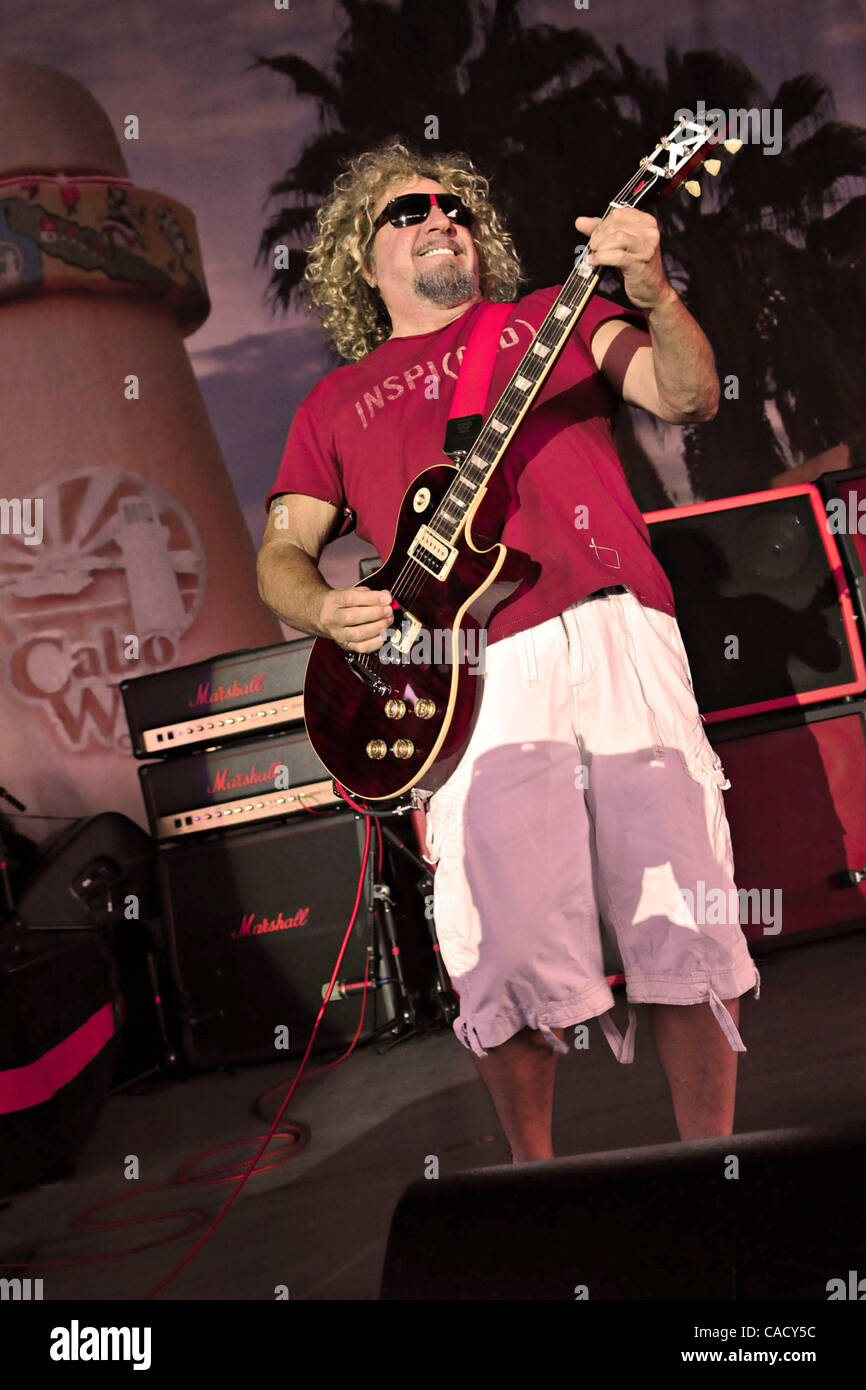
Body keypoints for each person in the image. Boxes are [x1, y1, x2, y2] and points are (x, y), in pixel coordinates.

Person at [257, 140, 760, 1164]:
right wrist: (320, 609)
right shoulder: (332, 405)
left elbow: (686, 396)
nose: (438, 218)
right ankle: (535, 1187)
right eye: (408, 211)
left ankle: (715, 1174)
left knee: (684, 920)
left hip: (619, 628)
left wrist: (654, 290)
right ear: (363, 255)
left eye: (452, 206)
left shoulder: (548, 317)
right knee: (508, 946)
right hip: (465, 674)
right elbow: (279, 552)